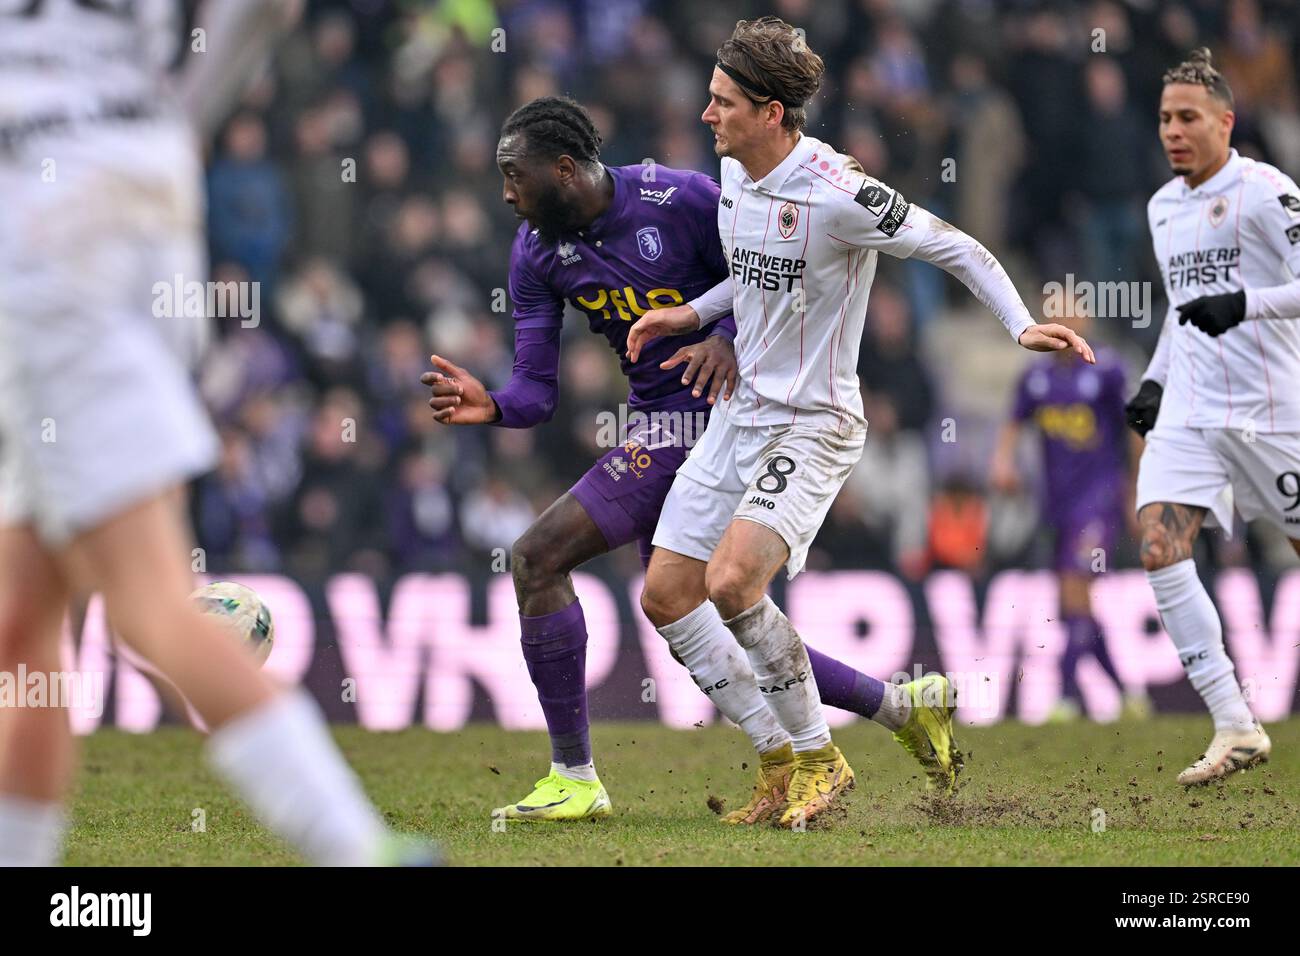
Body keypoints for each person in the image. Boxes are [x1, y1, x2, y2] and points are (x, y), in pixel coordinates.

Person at [630, 17, 1093, 828]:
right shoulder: (736, 173)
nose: (707, 116)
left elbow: (957, 248)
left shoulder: (840, 190)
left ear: (772, 112)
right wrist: (692, 315)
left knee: (733, 582)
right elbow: (753, 274)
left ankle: (821, 760)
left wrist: (1019, 325)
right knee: (667, 594)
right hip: (743, 413)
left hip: (814, 423)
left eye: (723, 103)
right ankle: (790, 759)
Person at [0, 0, 427, 866]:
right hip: (145, 208)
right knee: (23, 617)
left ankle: (357, 851)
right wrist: (170, 125)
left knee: (147, 601)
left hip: (41, 222)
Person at [1124, 48, 1300, 785]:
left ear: (1226, 122)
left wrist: (1247, 305)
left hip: (1271, 412)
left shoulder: (1265, 191)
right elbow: (1183, 308)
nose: (1174, 131)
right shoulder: (1162, 207)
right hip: (1193, 413)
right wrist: (1157, 379)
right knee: (1160, 548)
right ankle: (1234, 721)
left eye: (1188, 117)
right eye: (1165, 118)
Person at [990, 300, 1146, 721]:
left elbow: (1134, 428)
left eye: (1074, 313)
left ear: (1087, 320)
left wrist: (1135, 490)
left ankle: (1065, 696)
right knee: (1072, 606)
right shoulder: (1036, 377)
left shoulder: (1107, 368)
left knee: (1077, 591)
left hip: (1098, 499)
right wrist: (1002, 462)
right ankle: (1128, 694)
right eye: (1057, 313)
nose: (1067, 322)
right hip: (1056, 503)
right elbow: (1014, 421)